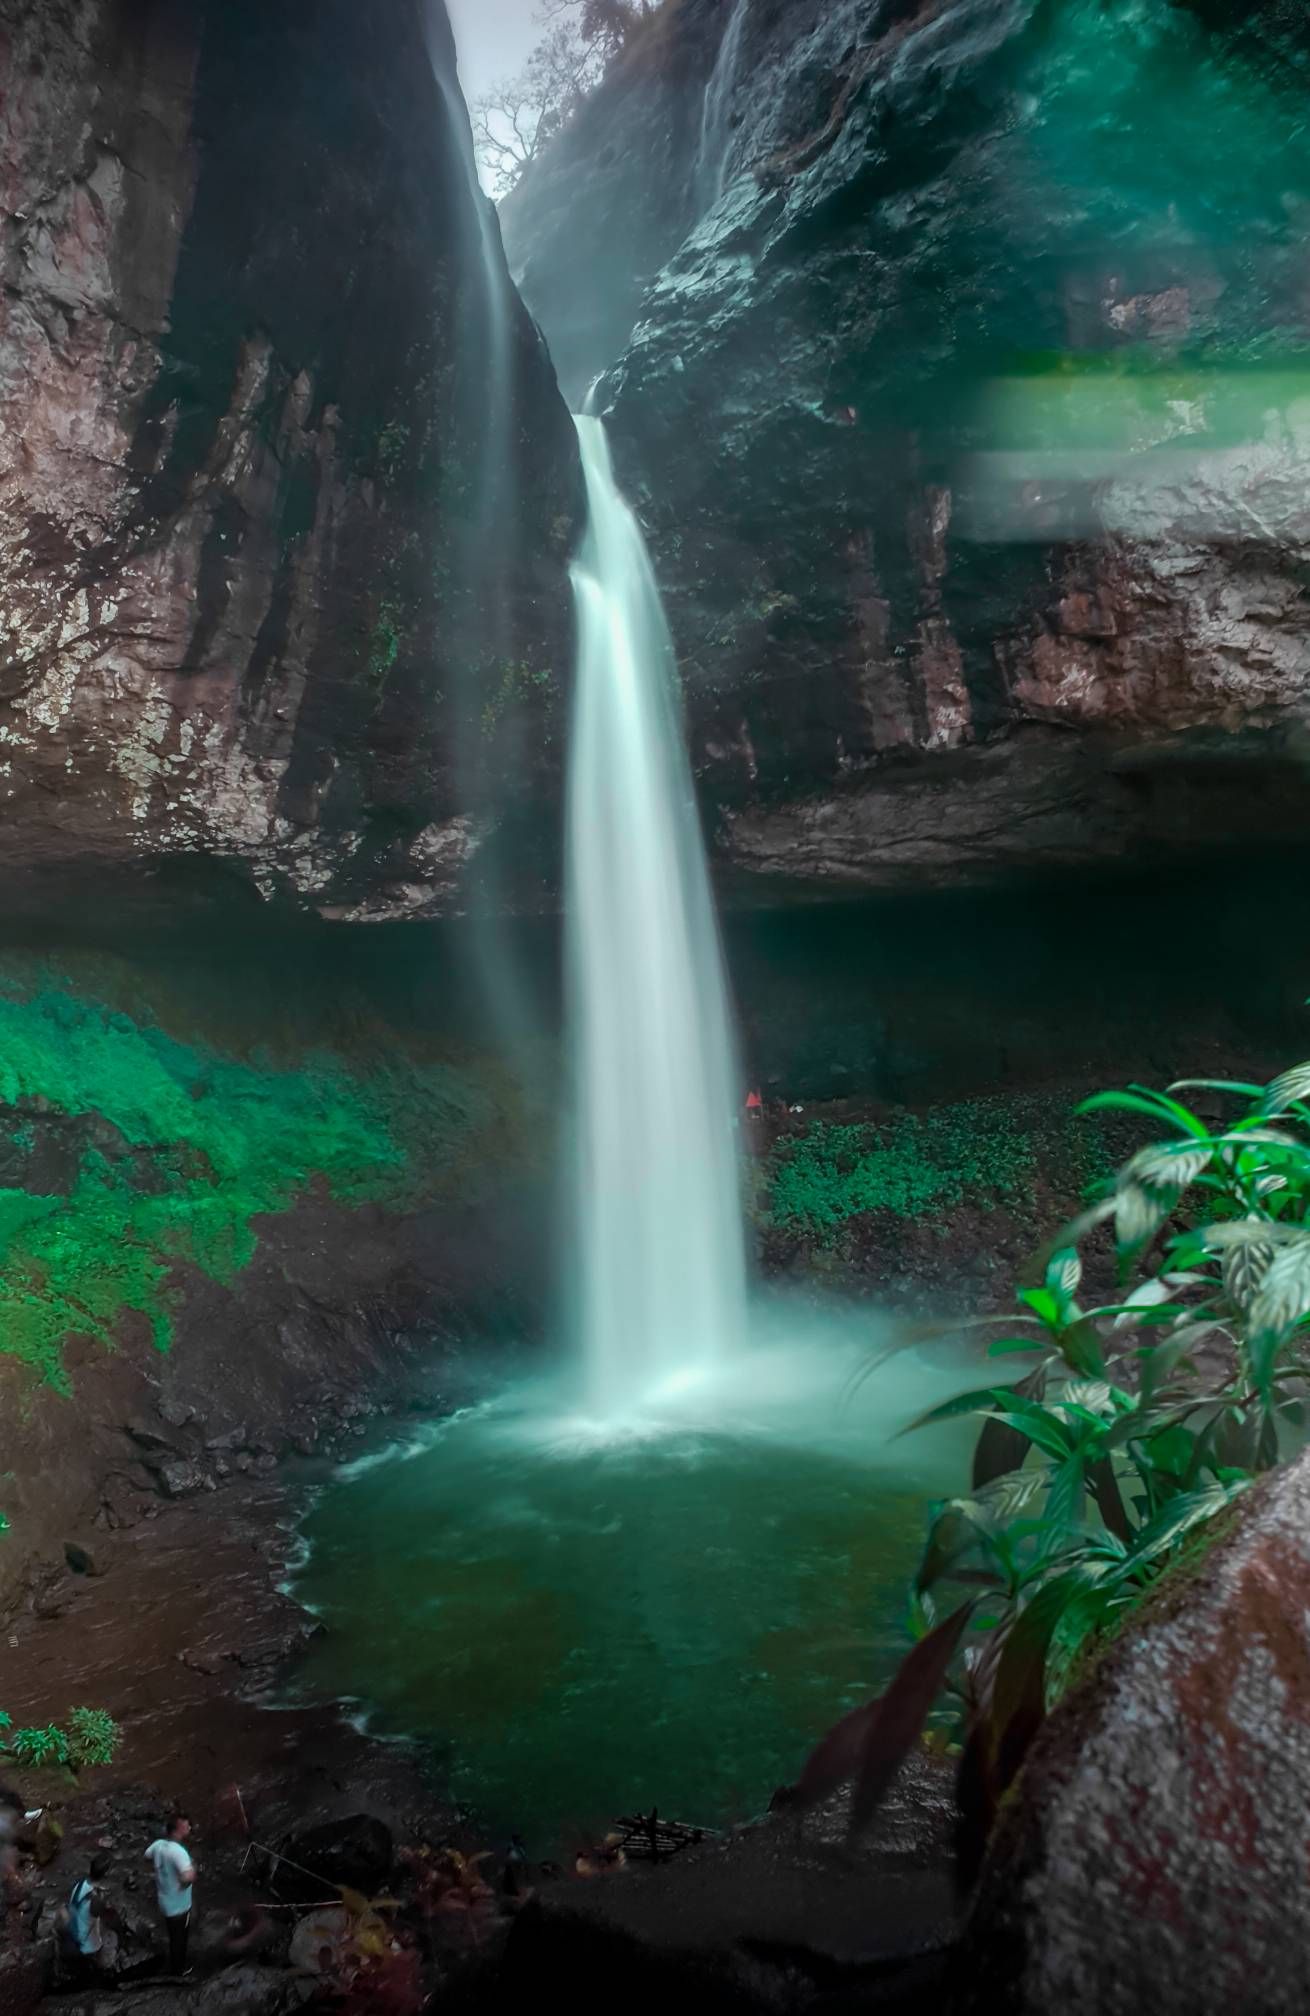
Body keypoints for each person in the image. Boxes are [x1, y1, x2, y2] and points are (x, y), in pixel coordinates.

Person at [145, 1812, 196, 1977]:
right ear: (177, 1830)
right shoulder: (179, 1852)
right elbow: (187, 1877)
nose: (189, 1827)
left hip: (165, 1901)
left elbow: (146, 1856)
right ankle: (179, 1970)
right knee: (180, 1939)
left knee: (173, 1934)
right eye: (186, 1825)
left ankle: (175, 1965)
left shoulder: (158, 1845)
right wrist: (192, 1874)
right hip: (179, 1906)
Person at [64, 1852, 118, 1988]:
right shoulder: (96, 1899)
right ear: (105, 1874)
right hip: (87, 1944)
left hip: (73, 1932)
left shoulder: (80, 1884)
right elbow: (107, 1915)